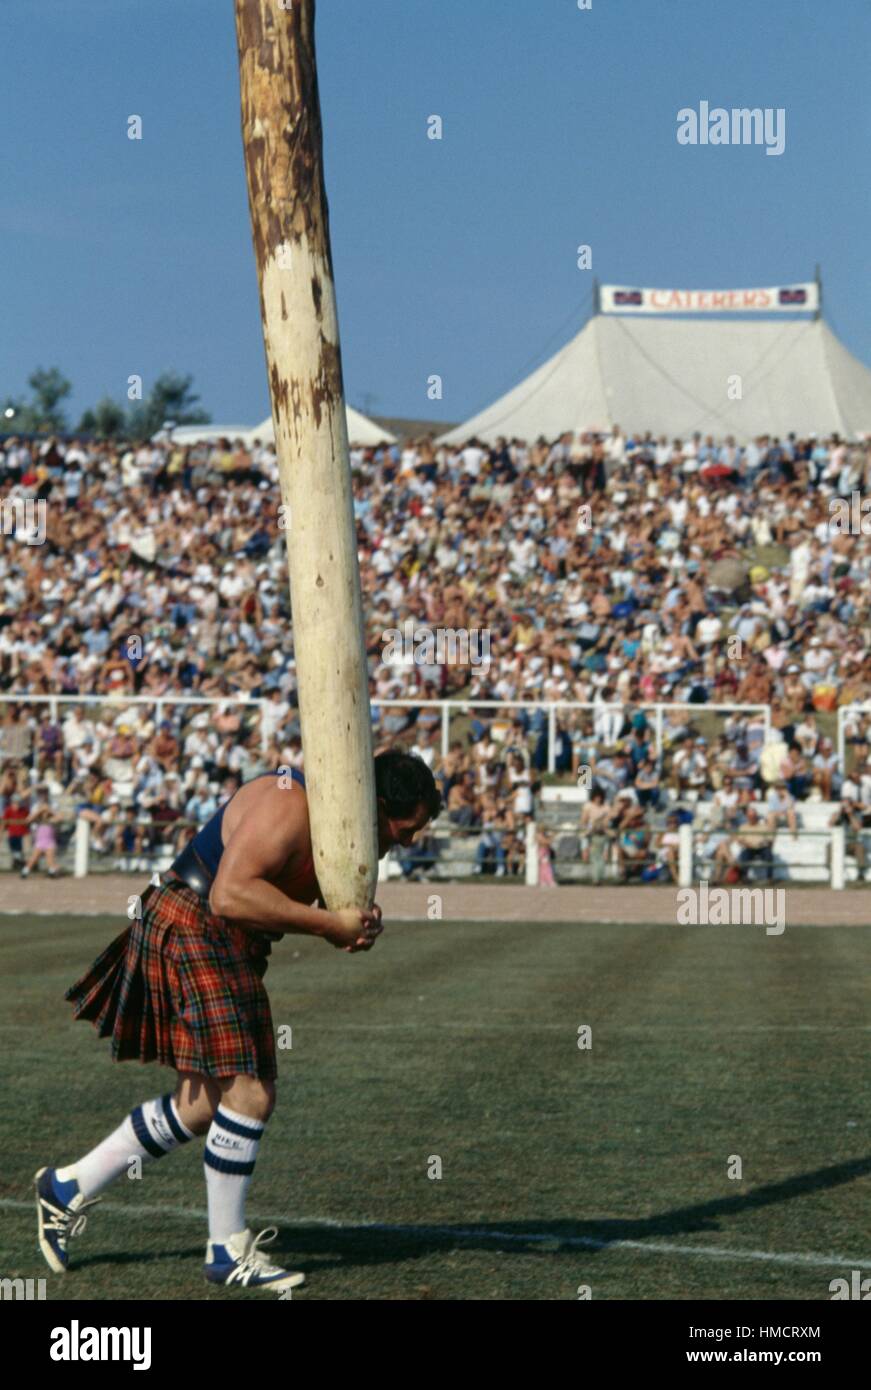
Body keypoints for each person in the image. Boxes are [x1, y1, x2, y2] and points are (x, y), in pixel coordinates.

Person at [35, 751, 440, 1294]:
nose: (408, 841)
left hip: (222, 933)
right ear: (380, 804)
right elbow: (230, 895)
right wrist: (326, 924)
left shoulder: (335, 825)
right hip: (195, 921)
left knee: (203, 1104)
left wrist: (348, 924)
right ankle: (226, 1250)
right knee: (250, 1094)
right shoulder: (287, 805)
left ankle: (65, 1187)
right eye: (405, 827)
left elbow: (284, 897)